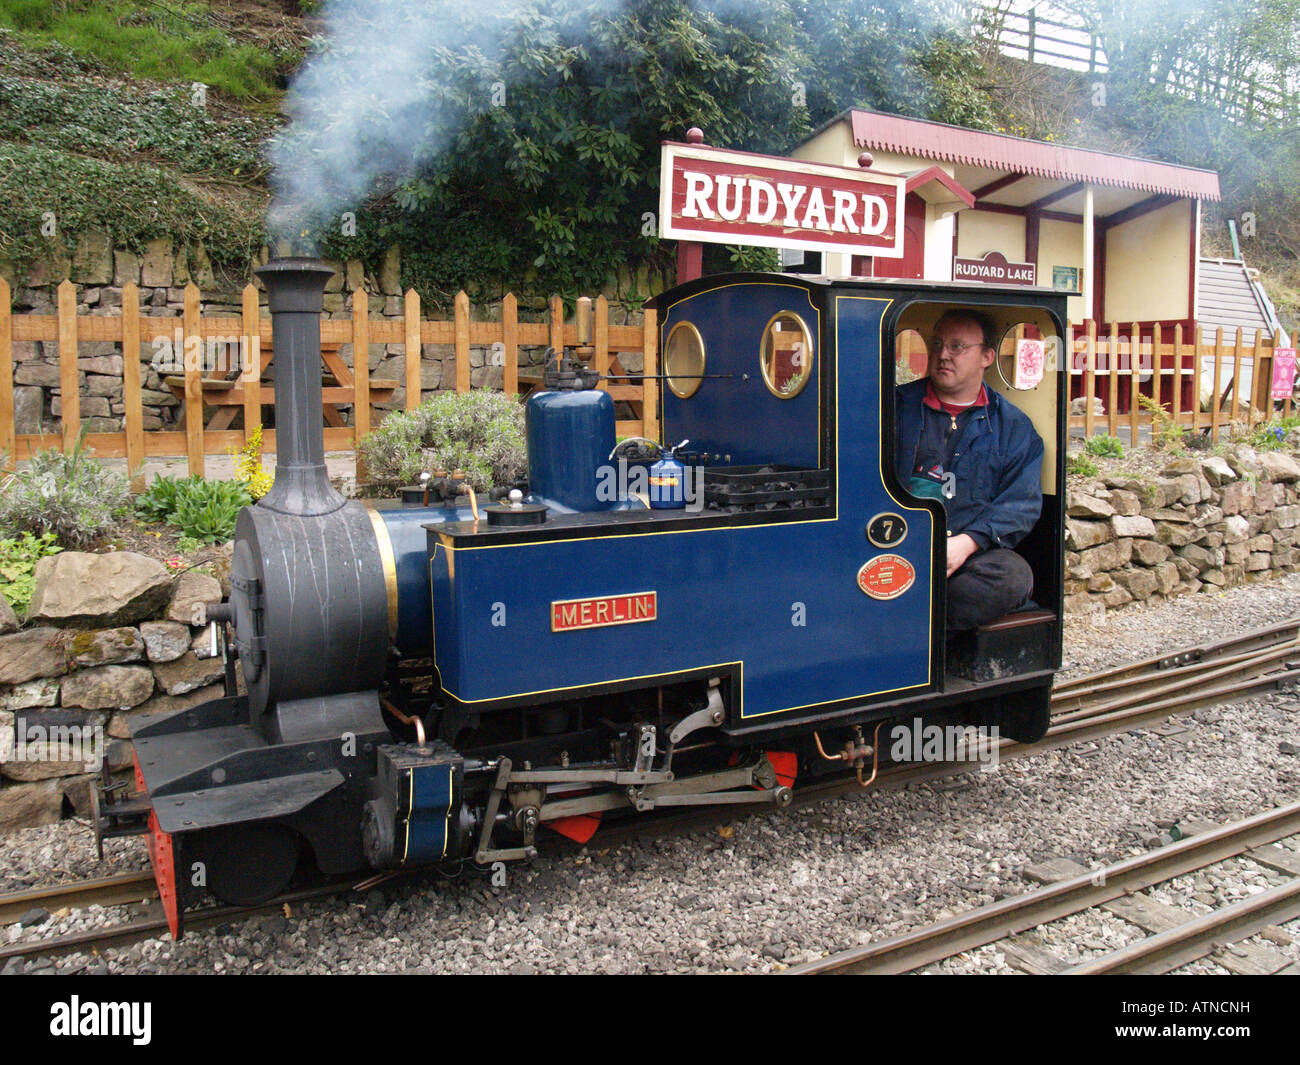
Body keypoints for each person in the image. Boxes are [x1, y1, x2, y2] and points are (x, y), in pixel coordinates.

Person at [894, 310, 1043, 631]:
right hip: (892, 544)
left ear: (986, 356)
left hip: (964, 558)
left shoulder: (1014, 428)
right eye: (937, 344)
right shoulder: (893, 408)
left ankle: (912, 629)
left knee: (1012, 576)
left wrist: (967, 543)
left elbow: (1021, 506)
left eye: (957, 346)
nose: (943, 354)